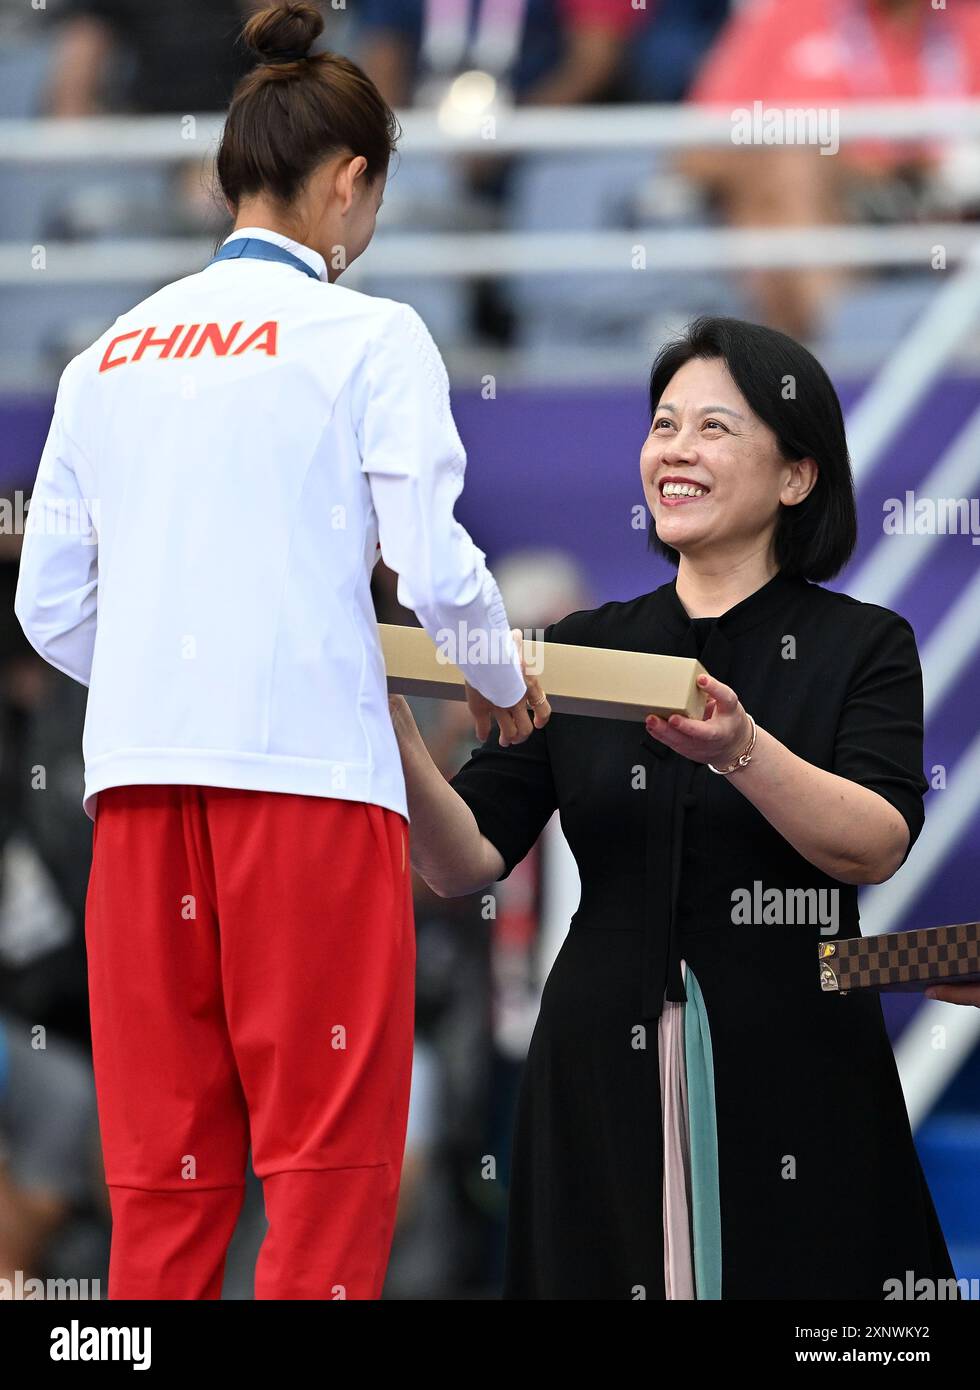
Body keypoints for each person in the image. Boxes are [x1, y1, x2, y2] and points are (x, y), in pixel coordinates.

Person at [15, 0, 532, 1301]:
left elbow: (45, 608)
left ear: (225, 177)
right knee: (326, 1165)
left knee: (163, 1172)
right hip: (304, 782)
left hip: (137, 788)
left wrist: (168, 673)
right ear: (351, 183)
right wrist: (500, 680)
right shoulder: (370, 336)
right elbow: (434, 557)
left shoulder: (104, 355)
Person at [389, 315, 959, 1299]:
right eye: (662, 424)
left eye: (714, 427)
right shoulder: (581, 645)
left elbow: (871, 841)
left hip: (794, 1059)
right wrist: (389, 728)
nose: (675, 450)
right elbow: (461, 857)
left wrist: (739, 748)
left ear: (796, 475)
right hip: (593, 1064)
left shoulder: (862, 644)